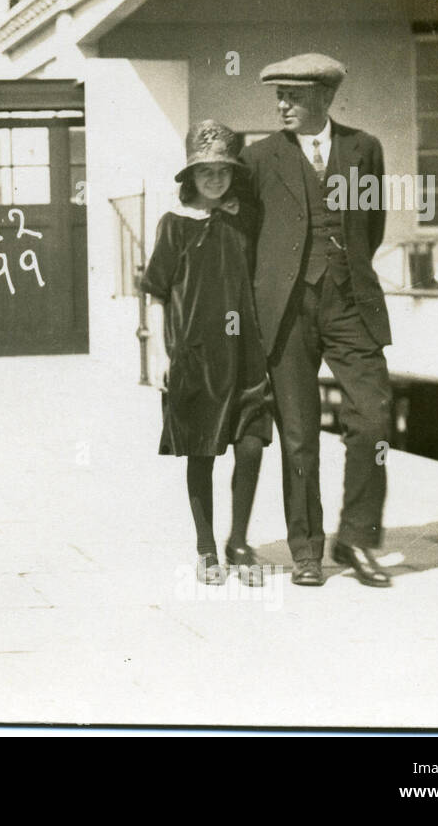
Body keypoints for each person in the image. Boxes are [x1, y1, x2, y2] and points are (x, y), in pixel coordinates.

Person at [241, 53, 393, 588]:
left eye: (294, 96)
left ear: (325, 99)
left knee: (372, 417)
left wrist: (342, 271)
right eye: (278, 95)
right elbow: (248, 236)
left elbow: (369, 226)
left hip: (350, 302)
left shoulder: (363, 149)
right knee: (299, 436)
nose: (282, 105)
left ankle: (355, 537)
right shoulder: (258, 158)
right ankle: (306, 550)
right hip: (285, 310)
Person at [141, 120, 272, 587]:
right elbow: (155, 292)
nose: (214, 179)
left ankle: (239, 540)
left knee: (253, 442)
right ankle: (207, 548)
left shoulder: (244, 219)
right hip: (194, 355)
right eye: (205, 172)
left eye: (222, 170)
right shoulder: (175, 226)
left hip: (246, 354)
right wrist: (157, 353)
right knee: (201, 450)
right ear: (190, 177)